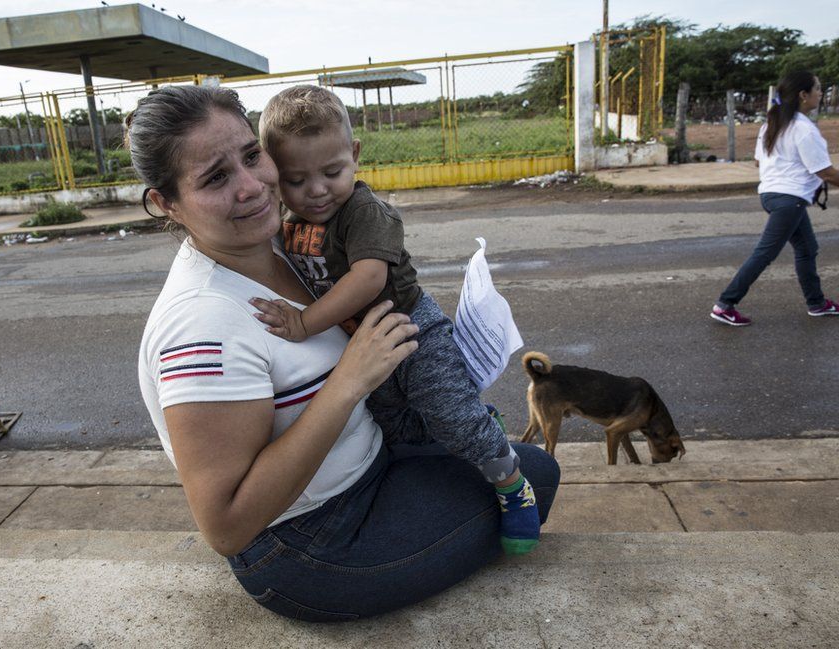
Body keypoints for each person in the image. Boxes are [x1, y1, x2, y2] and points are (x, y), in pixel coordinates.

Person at [131, 85, 560, 622]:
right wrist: (350, 380)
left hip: (371, 462)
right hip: (312, 542)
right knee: (536, 475)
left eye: (250, 156)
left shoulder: (281, 246)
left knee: (502, 451)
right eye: (216, 177)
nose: (253, 186)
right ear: (165, 203)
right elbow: (226, 526)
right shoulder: (202, 323)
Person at [251, 85, 540, 556]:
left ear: (355, 155)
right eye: (296, 179)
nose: (317, 190)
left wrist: (305, 324)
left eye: (332, 171)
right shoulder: (289, 220)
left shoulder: (364, 211)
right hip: (363, 345)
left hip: (409, 330)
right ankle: (473, 426)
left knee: (451, 415)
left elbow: (368, 278)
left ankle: (512, 484)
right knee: (394, 424)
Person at [711, 71, 839, 326]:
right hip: (788, 199)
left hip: (772, 194)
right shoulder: (803, 129)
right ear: (803, 95)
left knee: (807, 249)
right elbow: (824, 171)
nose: (820, 93)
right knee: (765, 253)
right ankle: (725, 304)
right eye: (817, 89)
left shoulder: (771, 124)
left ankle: (817, 303)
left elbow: (759, 160)